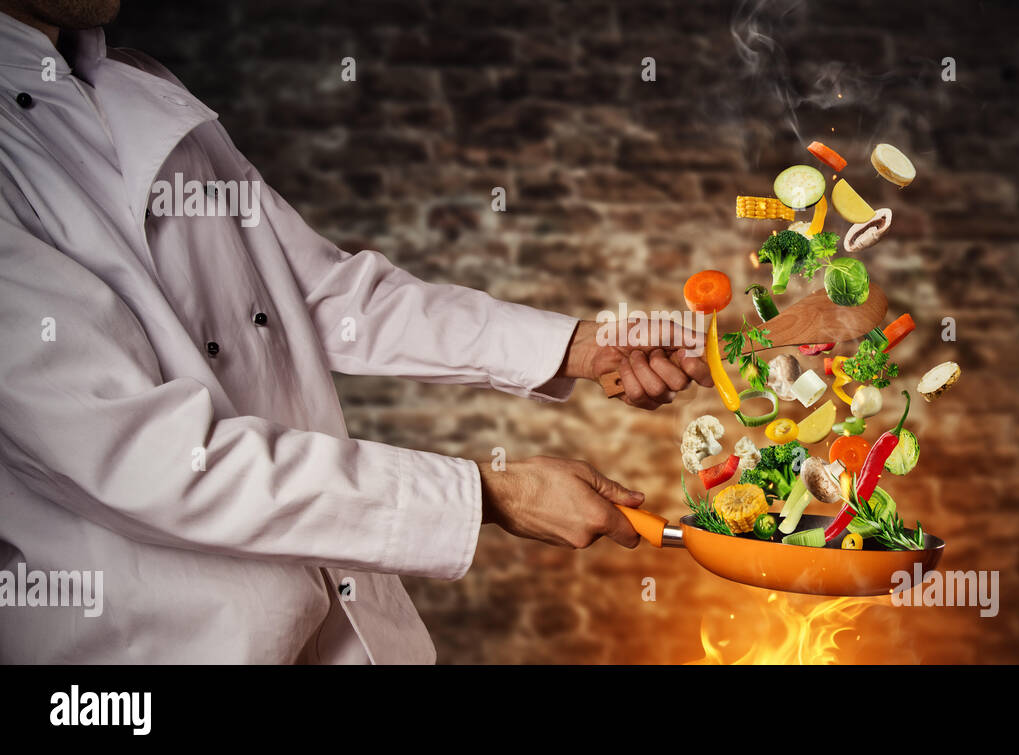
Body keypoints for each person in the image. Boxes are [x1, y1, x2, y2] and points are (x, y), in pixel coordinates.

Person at [0, 1, 710, 663]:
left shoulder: (136, 86)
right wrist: (488, 494)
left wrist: (577, 345)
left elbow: (319, 293)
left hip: (334, 624)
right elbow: (147, 456)